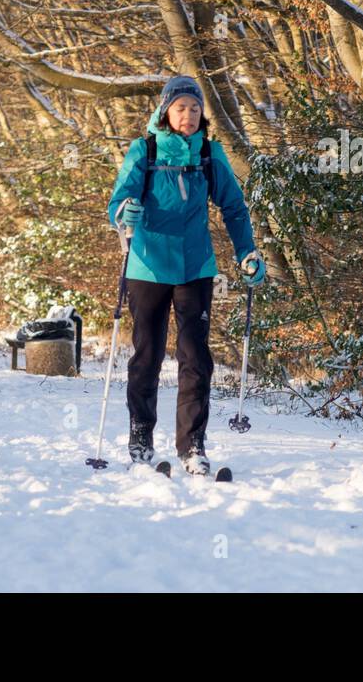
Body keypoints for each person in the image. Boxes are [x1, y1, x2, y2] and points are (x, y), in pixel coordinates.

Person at [106, 75, 265, 474]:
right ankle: (141, 437)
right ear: (165, 111)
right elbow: (118, 200)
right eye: (181, 108)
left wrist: (247, 252)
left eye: (195, 108)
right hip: (147, 265)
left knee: (196, 358)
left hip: (195, 266)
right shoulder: (144, 150)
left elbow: (234, 207)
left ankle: (193, 445)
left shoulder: (210, 154)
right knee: (148, 354)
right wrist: (124, 212)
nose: (189, 115)